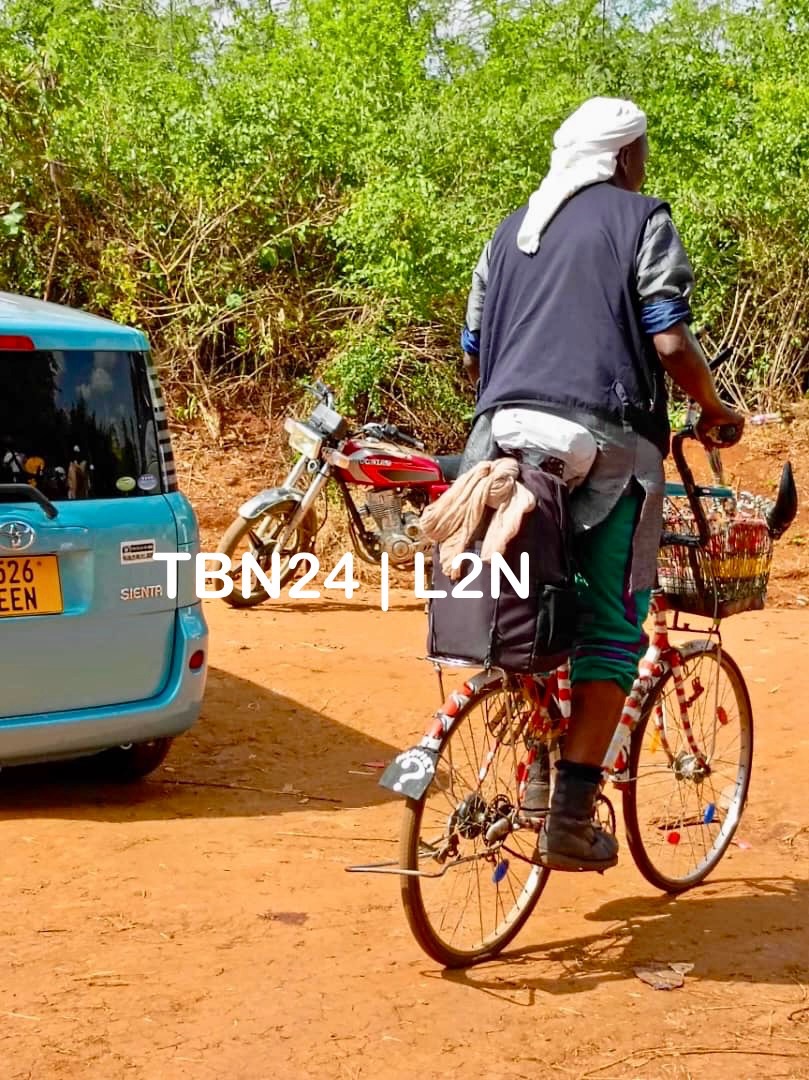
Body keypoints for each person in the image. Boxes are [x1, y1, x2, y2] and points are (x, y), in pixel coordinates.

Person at [459, 96, 744, 873]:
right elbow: (666, 333)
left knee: (530, 607)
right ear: (624, 156)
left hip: (500, 437)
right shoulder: (640, 217)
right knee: (613, 631)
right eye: (641, 153)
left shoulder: (507, 232)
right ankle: (571, 816)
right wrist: (713, 408)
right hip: (604, 444)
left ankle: (541, 765)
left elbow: (470, 353)